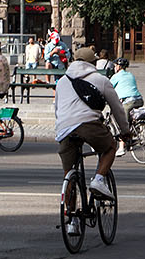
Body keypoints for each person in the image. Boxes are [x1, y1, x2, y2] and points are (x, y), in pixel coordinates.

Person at [54, 45, 131, 206]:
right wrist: (125, 131)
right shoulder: (101, 80)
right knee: (110, 146)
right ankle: (99, 179)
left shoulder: (62, 82)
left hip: (64, 128)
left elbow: (57, 109)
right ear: (93, 63)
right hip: (89, 125)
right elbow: (117, 109)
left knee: (68, 174)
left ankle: (71, 220)